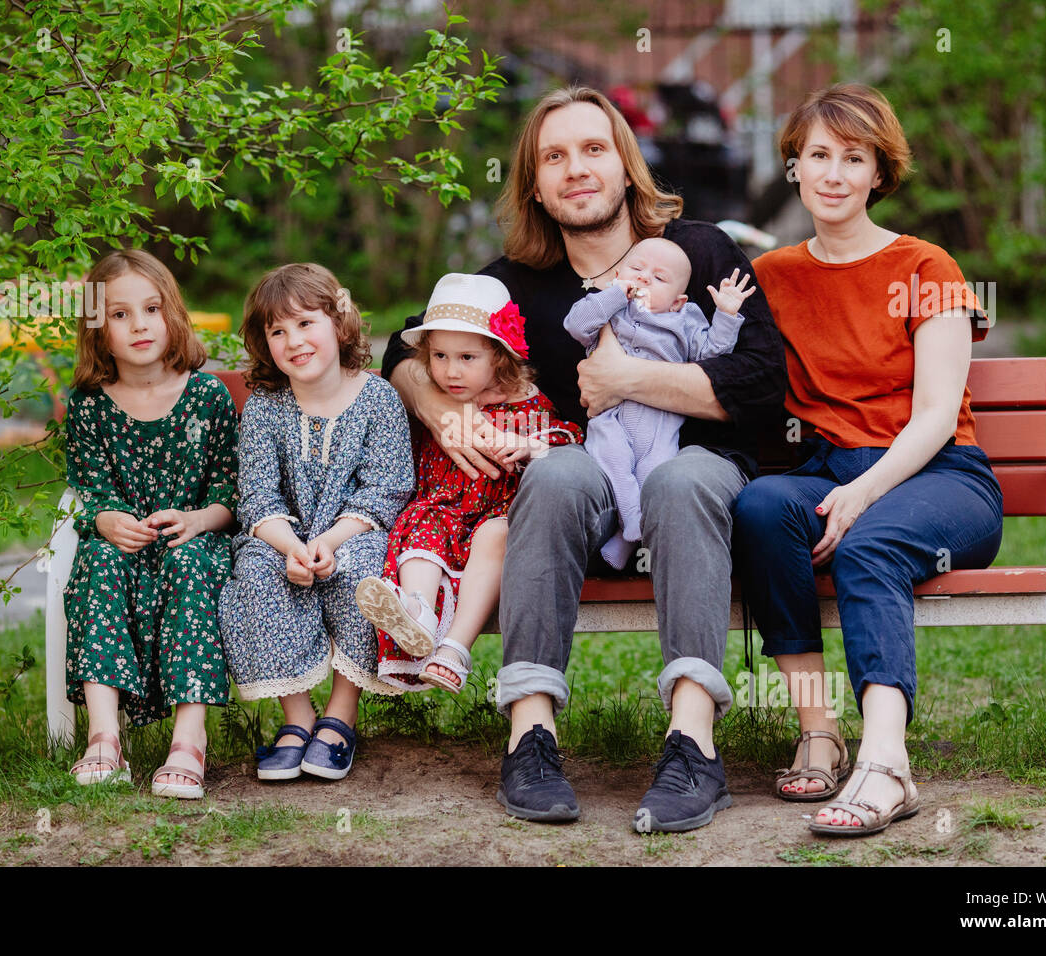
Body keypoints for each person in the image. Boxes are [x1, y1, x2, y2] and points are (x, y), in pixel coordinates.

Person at [380, 86, 787, 831]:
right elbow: (401, 347)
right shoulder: (513, 283)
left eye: (593, 149)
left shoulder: (697, 251)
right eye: (555, 157)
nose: (576, 169)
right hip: (588, 473)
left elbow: (765, 383)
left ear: (626, 165)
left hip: (693, 464)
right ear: (535, 183)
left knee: (680, 479)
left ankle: (692, 743)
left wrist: (636, 380)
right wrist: (441, 412)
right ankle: (529, 734)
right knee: (556, 473)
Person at [735, 83, 1003, 836]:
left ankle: (887, 765)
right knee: (759, 507)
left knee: (872, 542)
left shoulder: (926, 265)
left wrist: (864, 496)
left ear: (879, 174)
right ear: (795, 167)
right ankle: (819, 728)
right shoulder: (776, 277)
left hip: (941, 477)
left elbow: (935, 416)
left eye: (854, 158)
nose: (833, 173)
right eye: (817, 155)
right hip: (829, 468)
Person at [218, 263, 413, 783]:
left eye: (306, 324)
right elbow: (256, 492)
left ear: (339, 323)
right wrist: (289, 546)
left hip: (353, 532)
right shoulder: (266, 407)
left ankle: (341, 714)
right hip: (279, 535)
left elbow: (387, 486)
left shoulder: (377, 399)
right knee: (256, 574)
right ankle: (297, 715)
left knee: (363, 571)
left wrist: (327, 541)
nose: (294, 341)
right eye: (277, 331)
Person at [64, 248, 238, 800]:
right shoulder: (88, 406)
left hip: (194, 542)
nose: (139, 325)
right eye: (119, 314)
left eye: (151, 309)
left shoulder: (207, 397)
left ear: (173, 316)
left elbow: (229, 492)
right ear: (98, 329)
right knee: (98, 559)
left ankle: (189, 740)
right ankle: (103, 738)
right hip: (125, 544)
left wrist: (198, 519)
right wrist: (106, 518)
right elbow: (89, 490)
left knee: (189, 563)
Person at [356, 273, 583, 693]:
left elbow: (566, 440)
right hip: (441, 508)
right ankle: (417, 614)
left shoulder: (525, 403)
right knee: (421, 529)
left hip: (496, 516)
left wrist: (526, 445)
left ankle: (454, 651)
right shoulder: (438, 404)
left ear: (499, 356)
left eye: (466, 358)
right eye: (439, 356)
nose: (449, 371)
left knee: (496, 535)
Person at [563, 236, 755, 568]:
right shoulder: (610, 311)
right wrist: (611, 294)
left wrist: (725, 315)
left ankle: (625, 539)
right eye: (636, 269)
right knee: (615, 463)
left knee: (655, 475)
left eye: (659, 277)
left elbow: (711, 354)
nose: (643, 278)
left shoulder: (685, 319)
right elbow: (575, 324)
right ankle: (633, 524)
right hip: (611, 420)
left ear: (678, 301)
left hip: (661, 425)